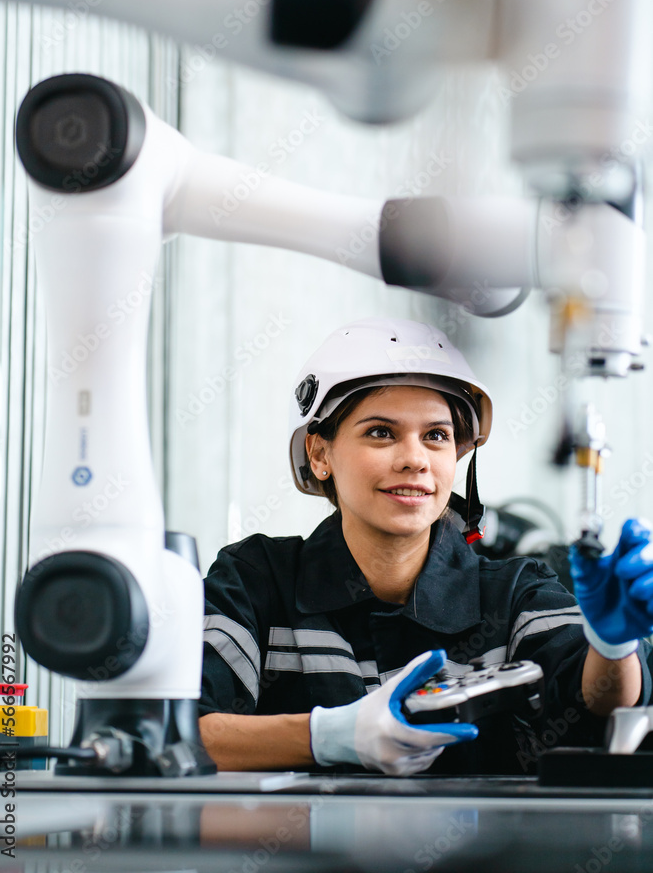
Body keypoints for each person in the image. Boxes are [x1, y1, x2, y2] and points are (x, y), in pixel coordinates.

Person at [198, 317, 653, 774]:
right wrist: (330, 737)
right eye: (381, 432)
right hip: (299, 846)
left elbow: (596, 705)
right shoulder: (255, 580)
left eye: (436, 436)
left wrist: (613, 646)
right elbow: (178, 733)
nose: (415, 459)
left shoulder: (514, 594)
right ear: (320, 455)